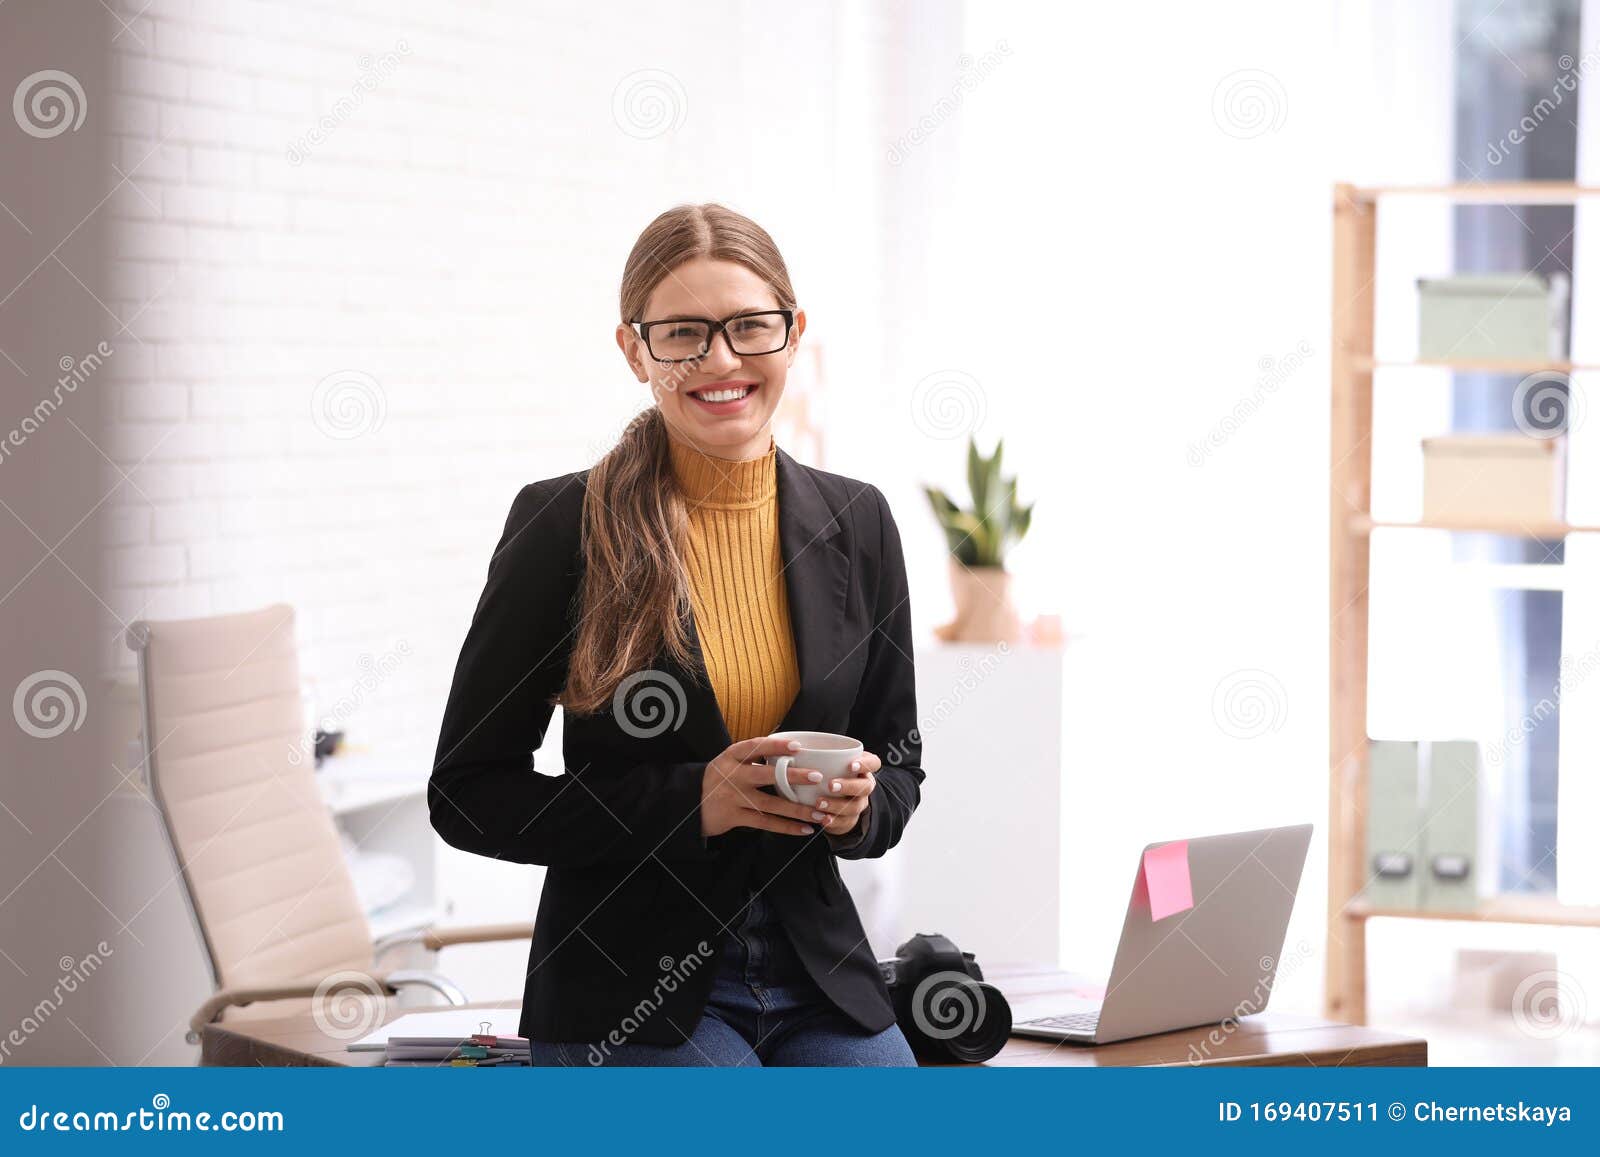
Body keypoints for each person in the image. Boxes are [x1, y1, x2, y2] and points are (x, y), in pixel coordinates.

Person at [429, 203, 923, 1066]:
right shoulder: (563, 524)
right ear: (636, 350)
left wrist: (857, 811)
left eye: (748, 326)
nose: (720, 360)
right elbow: (468, 792)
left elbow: (900, 764)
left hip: (818, 976)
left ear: (793, 332)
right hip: (628, 985)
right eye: (684, 334)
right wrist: (694, 800)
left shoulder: (858, 519)